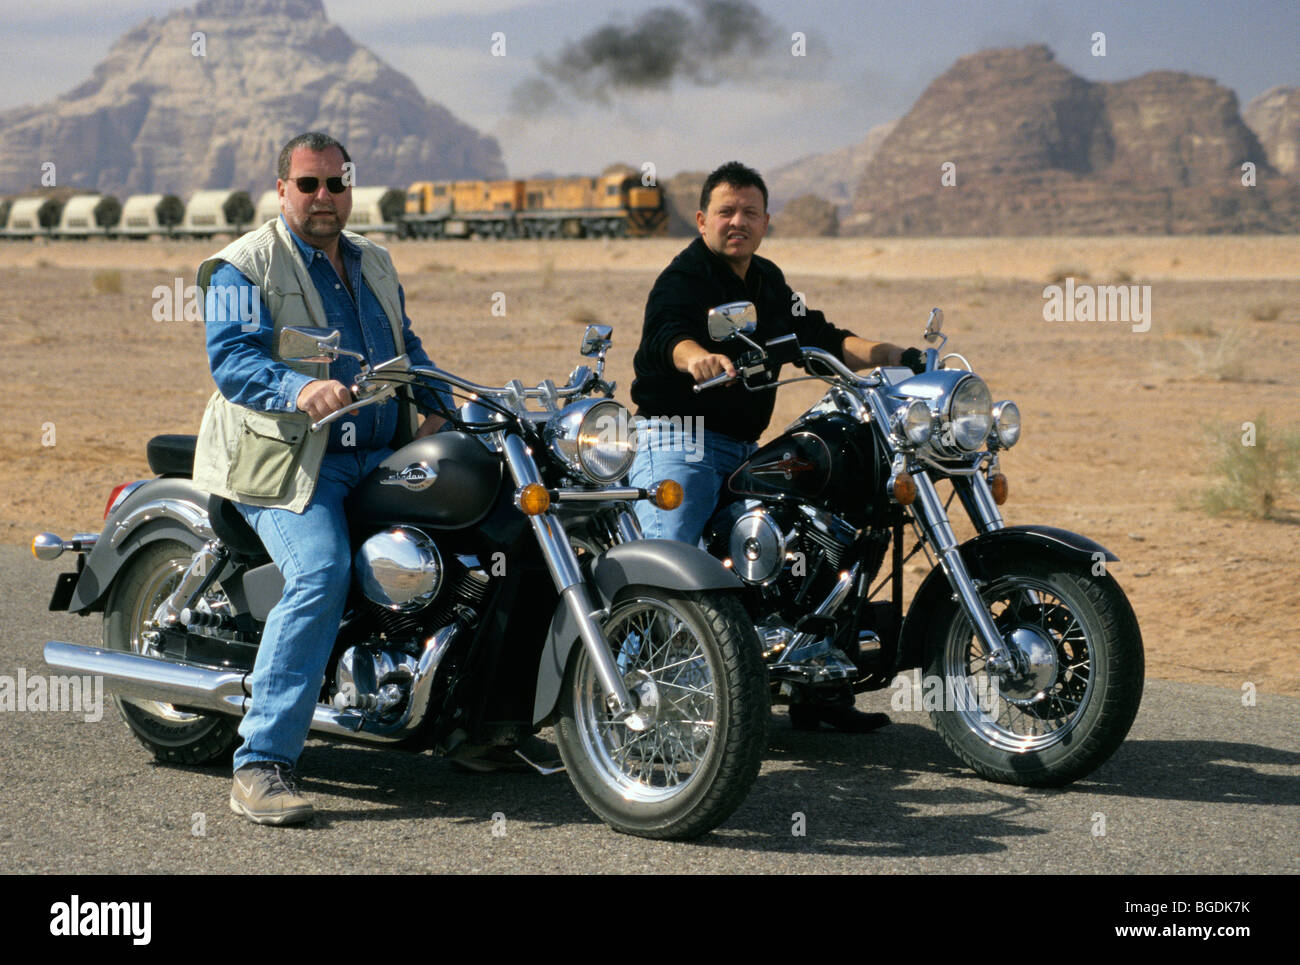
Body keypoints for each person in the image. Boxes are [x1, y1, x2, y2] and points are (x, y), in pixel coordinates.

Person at [193, 131, 456, 825]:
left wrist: (446, 405)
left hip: (375, 451)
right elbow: (232, 362)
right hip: (284, 459)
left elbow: (408, 346)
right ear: (280, 190)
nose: (323, 197)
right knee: (320, 570)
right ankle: (261, 763)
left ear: (350, 187)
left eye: (335, 183)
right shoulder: (238, 266)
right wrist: (296, 388)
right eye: (307, 185)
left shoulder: (375, 260)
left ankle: (471, 721)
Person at [627, 160, 923, 734]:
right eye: (726, 212)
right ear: (702, 220)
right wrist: (698, 358)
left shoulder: (766, 280)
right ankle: (645, 694)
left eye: (750, 213)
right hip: (679, 438)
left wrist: (894, 355)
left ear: (765, 222)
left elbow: (818, 336)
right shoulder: (684, 276)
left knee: (831, 531)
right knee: (672, 558)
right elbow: (668, 334)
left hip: (743, 444)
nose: (738, 222)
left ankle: (821, 687)